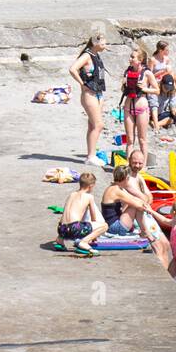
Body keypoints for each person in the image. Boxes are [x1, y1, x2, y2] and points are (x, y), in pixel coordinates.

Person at [69, 35, 108, 163]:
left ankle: (91, 154)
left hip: (98, 93)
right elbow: (73, 69)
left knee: (92, 125)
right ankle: (91, 157)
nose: (105, 44)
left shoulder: (96, 55)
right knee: (99, 125)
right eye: (103, 42)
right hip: (89, 95)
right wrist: (82, 84)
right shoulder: (87, 55)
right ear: (94, 43)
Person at [56, 172, 109, 255]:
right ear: (91, 186)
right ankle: (84, 242)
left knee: (70, 223)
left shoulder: (72, 194)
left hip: (61, 229)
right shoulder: (89, 197)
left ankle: (60, 240)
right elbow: (94, 219)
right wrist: (93, 235)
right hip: (74, 228)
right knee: (104, 226)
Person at [120, 47, 158, 158]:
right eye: (130, 56)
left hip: (141, 107)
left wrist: (145, 89)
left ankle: (143, 166)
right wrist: (124, 85)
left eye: (132, 57)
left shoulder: (147, 73)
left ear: (140, 60)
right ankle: (128, 165)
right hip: (128, 107)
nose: (130, 59)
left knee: (142, 139)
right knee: (130, 139)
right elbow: (123, 90)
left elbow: (157, 90)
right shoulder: (128, 71)